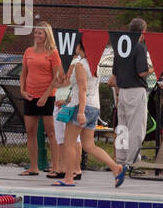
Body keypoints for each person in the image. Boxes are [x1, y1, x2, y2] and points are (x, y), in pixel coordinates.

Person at [54, 57, 128, 188]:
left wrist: (81, 112)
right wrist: (68, 101)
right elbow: (85, 90)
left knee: (69, 142)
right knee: (89, 145)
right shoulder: (94, 64)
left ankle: (68, 178)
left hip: (82, 107)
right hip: (94, 107)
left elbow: (83, 90)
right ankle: (116, 168)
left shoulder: (80, 64)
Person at [19, 23, 63, 176]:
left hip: (48, 97)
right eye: (35, 33)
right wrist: (23, 91)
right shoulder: (28, 51)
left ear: (47, 35)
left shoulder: (53, 53)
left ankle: (56, 166)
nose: (37, 35)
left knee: (51, 132)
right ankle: (33, 167)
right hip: (30, 96)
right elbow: (23, 73)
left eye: (40, 33)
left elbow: (57, 78)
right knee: (30, 132)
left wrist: (45, 96)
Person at [108, 17, 153, 168]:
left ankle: (120, 160)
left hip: (122, 92)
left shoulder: (120, 46)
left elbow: (114, 74)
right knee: (136, 129)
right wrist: (155, 69)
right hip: (136, 91)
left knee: (122, 127)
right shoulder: (140, 47)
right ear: (143, 32)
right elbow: (142, 72)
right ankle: (132, 162)